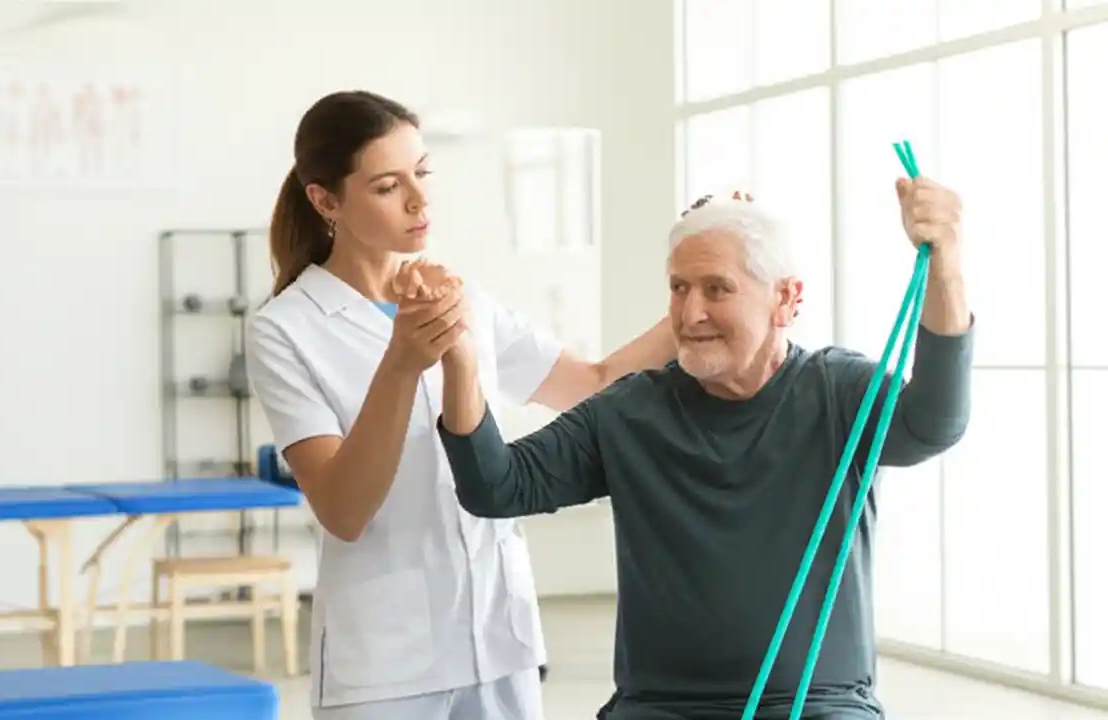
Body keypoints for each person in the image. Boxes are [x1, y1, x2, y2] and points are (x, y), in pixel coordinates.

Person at [434, 181, 973, 719]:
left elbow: (933, 423)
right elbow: (496, 486)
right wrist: (461, 363)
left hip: (818, 705)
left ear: (786, 299)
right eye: (678, 288)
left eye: (717, 289)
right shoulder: (630, 410)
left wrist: (944, 264)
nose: (690, 313)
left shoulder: (837, 391)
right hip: (660, 708)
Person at [245, 89, 678, 720]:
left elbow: (592, 382)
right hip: (386, 664)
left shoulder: (463, 297)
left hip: (498, 640)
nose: (419, 200)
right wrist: (401, 364)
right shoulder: (286, 328)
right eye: (388, 185)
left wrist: (697, 302)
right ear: (325, 200)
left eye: (422, 173)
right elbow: (342, 509)